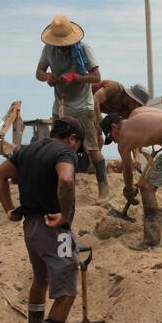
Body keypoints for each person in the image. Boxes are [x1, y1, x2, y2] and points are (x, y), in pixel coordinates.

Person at [0, 117, 84, 323]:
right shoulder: (65, 152)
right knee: (66, 291)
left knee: (40, 279)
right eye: (78, 145)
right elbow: (65, 180)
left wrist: (10, 209)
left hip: (30, 226)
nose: (76, 150)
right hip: (55, 228)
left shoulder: (26, 151)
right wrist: (64, 215)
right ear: (73, 138)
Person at [102, 106, 162, 250]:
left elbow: (127, 169)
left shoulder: (123, 138)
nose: (114, 142)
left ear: (114, 127)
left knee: (146, 187)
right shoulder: (136, 114)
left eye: (111, 137)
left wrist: (128, 189)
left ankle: (151, 240)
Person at [37, 15, 108, 200]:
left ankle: (103, 189)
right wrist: (48, 77)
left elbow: (96, 77)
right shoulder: (48, 49)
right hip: (60, 106)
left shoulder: (84, 49)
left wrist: (75, 77)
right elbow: (39, 72)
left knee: (92, 147)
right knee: (56, 148)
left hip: (83, 106)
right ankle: (56, 189)